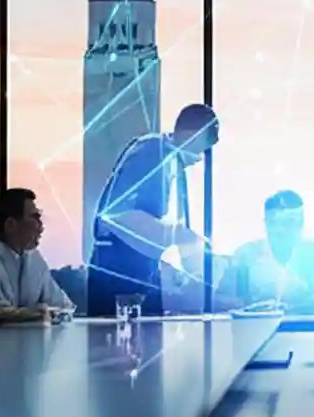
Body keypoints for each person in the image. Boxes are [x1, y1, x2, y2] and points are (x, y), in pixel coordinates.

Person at [87, 103, 219, 317]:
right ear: (193, 134)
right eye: (202, 147)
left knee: (148, 336)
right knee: (119, 340)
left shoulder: (166, 157)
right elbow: (120, 215)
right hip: (121, 265)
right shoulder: (152, 152)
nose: (200, 156)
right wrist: (179, 236)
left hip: (138, 263)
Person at [0, 188, 75, 322]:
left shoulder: (34, 258)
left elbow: (63, 306)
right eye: (35, 218)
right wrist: (40, 313)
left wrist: (46, 313)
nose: (41, 226)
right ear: (11, 225)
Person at [230, 190, 314, 313]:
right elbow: (220, 300)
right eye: (273, 222)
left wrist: (287, 307)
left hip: (305, 327)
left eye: (287, 222)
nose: (279, 230)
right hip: (254, 326)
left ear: (301, 224)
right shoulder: (245, 254)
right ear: (265, 223)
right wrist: (252, 305)